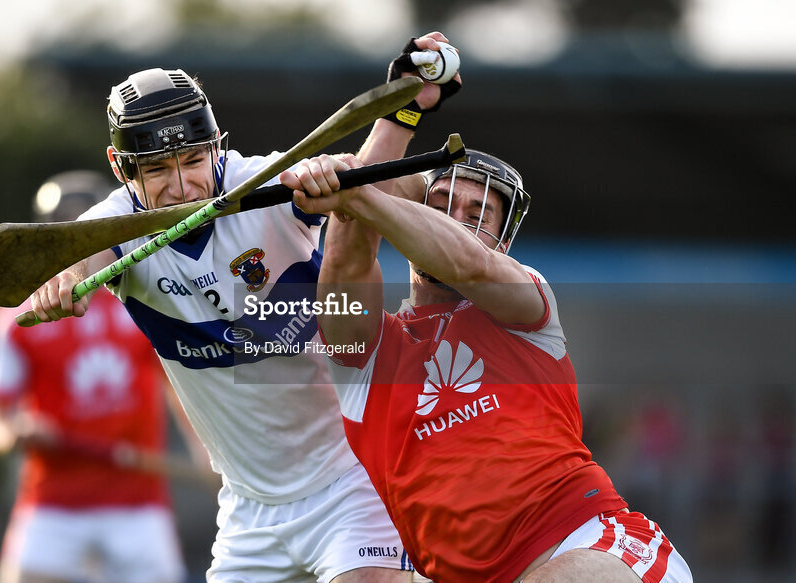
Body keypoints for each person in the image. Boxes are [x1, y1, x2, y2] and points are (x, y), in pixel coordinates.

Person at [26, 33, 462, 583]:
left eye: (191, 160)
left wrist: (399, 114)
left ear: (217, 146)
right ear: (120, 167)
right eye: (157, 169)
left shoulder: (269, 185)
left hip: (351, 477)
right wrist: (65, 281)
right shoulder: (115, 227)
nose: (181, 186)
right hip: (248, 509)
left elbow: (381, 184)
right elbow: (82, 256)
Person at [278, 143, 695, 579]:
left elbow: (468, 263)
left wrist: (356, 190)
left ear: (505, 239)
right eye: (440, 206)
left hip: (588, 543)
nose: (456, 221)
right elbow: (346, 259)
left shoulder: (528, 303)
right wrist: (346, 185)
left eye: (478, 215)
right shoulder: (361, 356)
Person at [0, 170, 206, 583]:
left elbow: (181, 388)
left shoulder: (145, 299)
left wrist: (208, 454)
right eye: (65, 237)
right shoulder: (17, 319)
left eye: (86, 234)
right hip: (52, 505)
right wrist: (11, 432)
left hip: (139, 504)